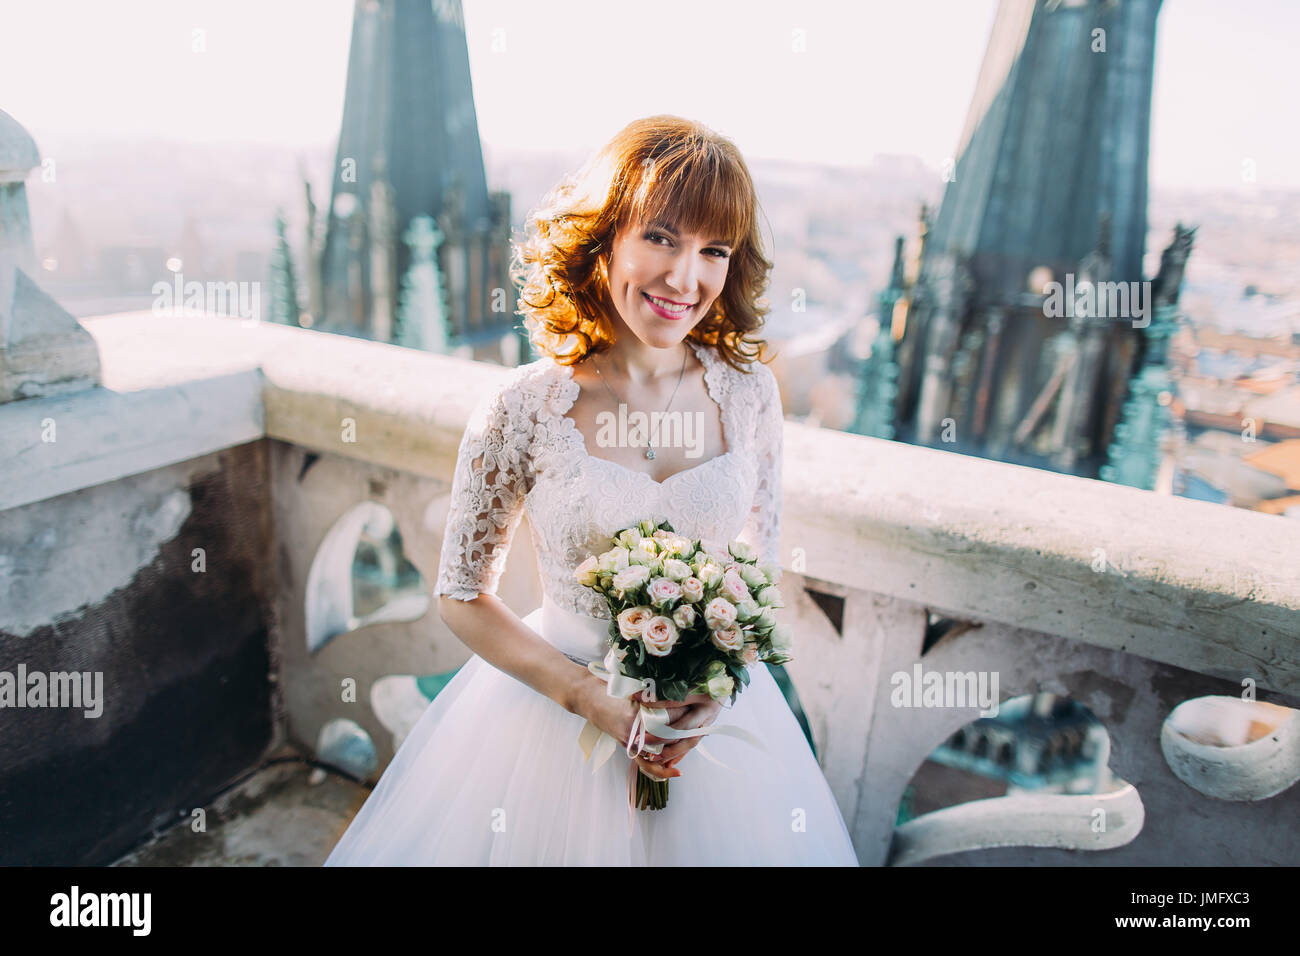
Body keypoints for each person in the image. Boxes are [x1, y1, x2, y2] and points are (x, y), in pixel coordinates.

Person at [324, 115, 859, 865]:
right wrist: (587, 697)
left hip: (710, 735)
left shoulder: (751, 395)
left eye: (715, 250)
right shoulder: (523, 407)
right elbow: (460, 594)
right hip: (549, 725)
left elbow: (753, 570)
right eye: (662, 237)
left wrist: (718, 684)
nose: (687, 278)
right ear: (602, 238)